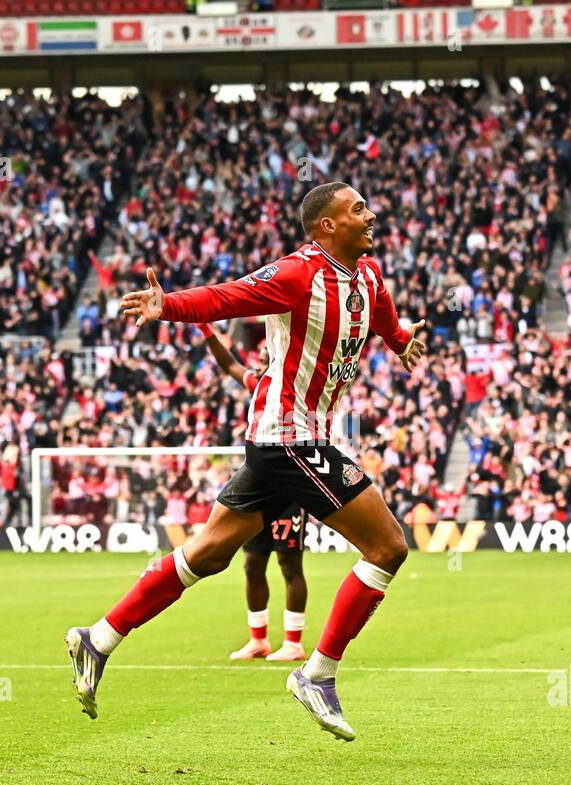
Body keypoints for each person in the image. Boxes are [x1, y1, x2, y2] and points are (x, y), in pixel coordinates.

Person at [65, 181, 426, 741]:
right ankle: (316, 674)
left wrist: (400, 339)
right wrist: (168, 305)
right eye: (358, 209)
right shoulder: (297, 274)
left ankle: (99, 638)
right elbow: (229, 296)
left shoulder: (368, 277)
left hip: (292, 439)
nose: (371, 214)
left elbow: (379, 314)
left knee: (207, 554)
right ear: (328, 225)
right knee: (387, 547)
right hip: (290, 438)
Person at [199, 322, 308, 663]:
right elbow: (229, 364)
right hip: (260, 486)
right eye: (258, 361)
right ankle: (258, 639)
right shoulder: (258, 384)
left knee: (289, 564)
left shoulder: (292, 385)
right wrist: (205, 330)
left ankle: (293, 642)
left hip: (290, 485)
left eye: (264, 360)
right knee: (252, 563)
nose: (258, 366)